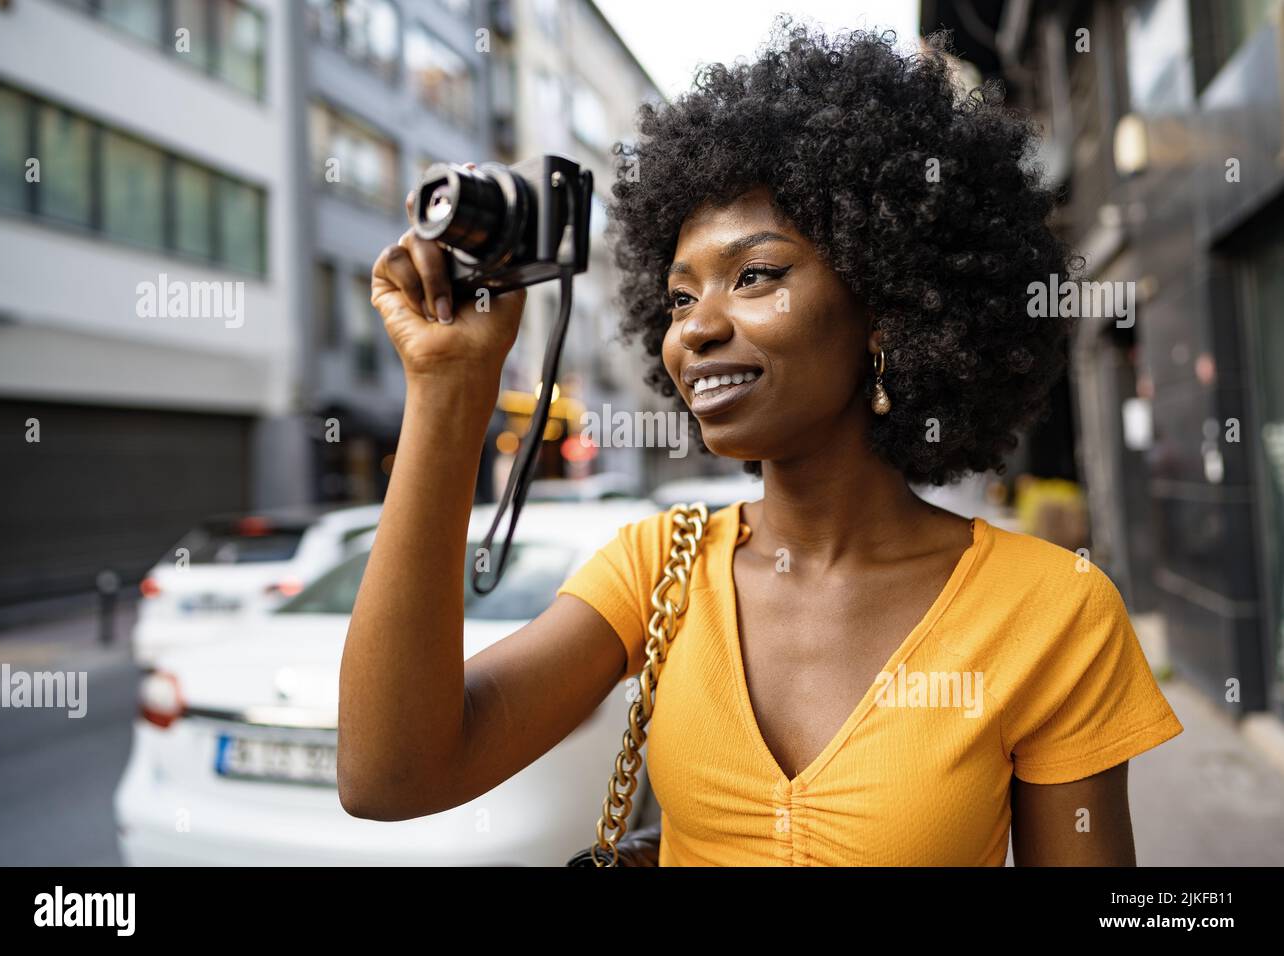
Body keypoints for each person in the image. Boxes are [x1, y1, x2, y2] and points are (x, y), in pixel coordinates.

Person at [337, 18, 1183, 866]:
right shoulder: (657, 569)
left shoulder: (1051, 610)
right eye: (676, 298)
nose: (696, 329)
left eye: (756, 276)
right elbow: (392, 776)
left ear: (889, 307)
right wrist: (450, 392)